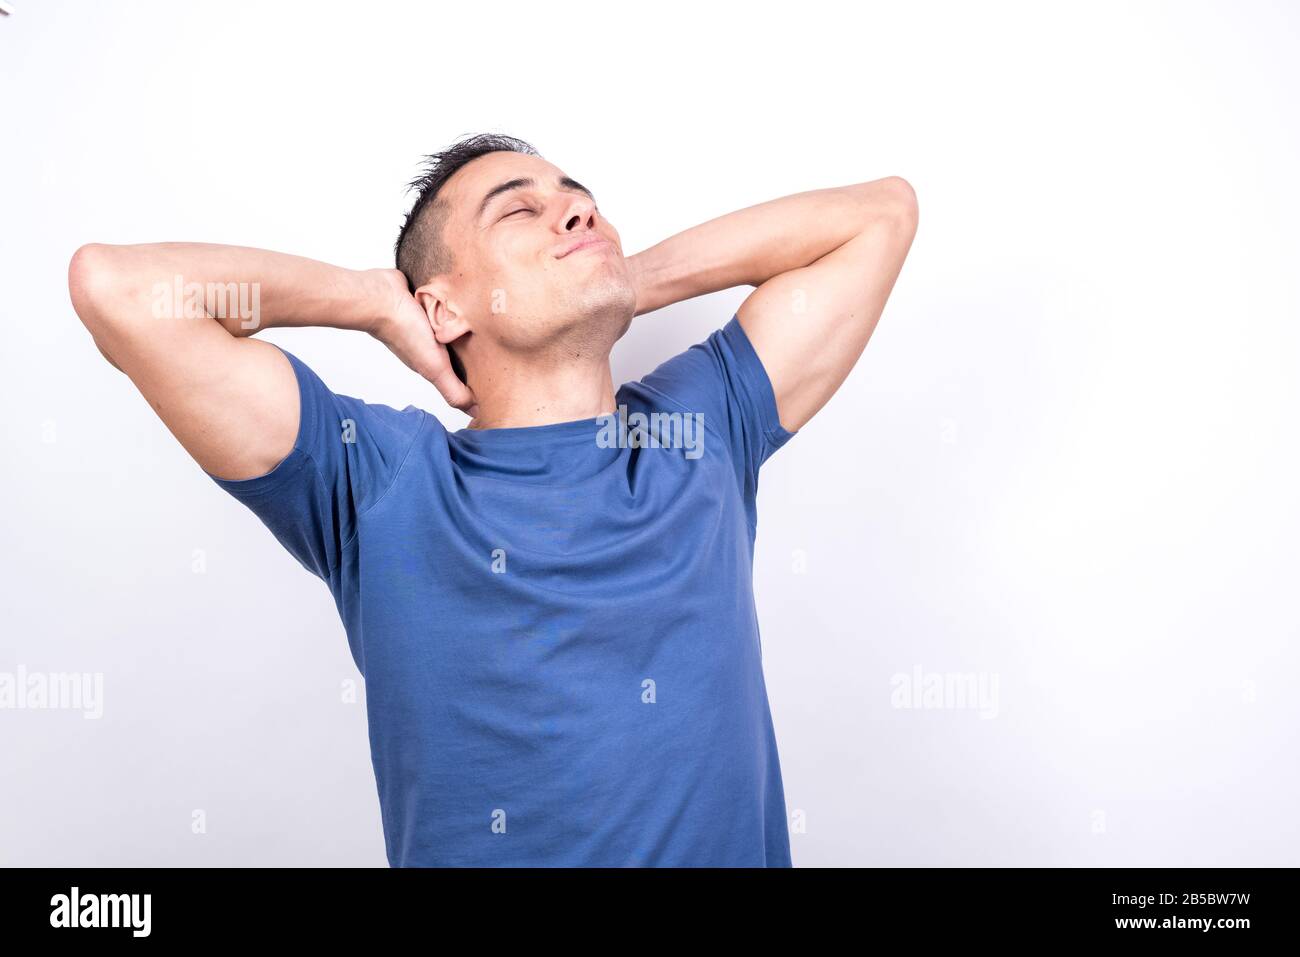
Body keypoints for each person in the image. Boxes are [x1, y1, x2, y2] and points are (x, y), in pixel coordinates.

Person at [66, 133, 918, 866]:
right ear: (441, 307)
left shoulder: (698, 427)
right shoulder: (379, 480)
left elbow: (881, 215)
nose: (577, 214)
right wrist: (370, 301)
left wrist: (627, 278)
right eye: (520, 212)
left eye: (582, 202)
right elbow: (118, 291)